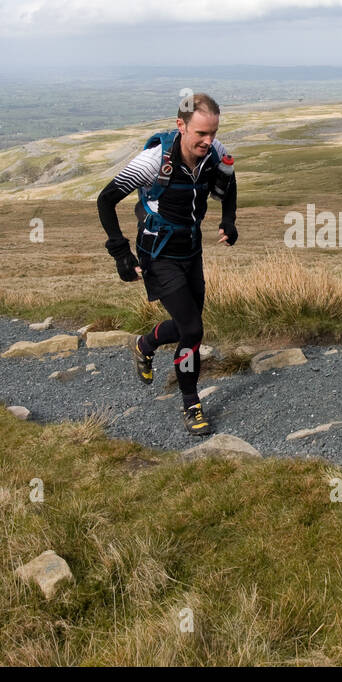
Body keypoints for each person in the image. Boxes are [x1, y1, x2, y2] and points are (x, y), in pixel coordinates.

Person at [96, 93, 238, 435]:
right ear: (181, 125)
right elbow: (106, 200)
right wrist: (120, 253)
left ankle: (145, 344)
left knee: (188, 323)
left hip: (191, 250)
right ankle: (192, 404)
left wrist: (228, 221)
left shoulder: (215, 154)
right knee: (192, 330)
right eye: (201, 134)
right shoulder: (153, 162)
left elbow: (228, 186)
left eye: (213, 133)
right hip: (158, 253)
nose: (208, 141)